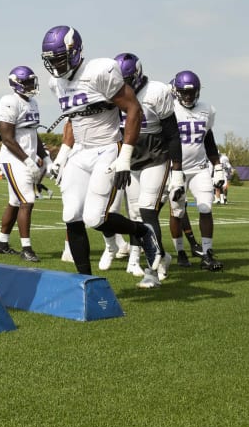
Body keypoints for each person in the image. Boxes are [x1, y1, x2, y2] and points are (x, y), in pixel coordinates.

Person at [40, 26, 163, 280]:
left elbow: (134, 109)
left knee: (94, 218)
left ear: (75, 53)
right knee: (70, 215)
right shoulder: (56, 83)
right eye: (50, 61)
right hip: (80, 152)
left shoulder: (99, 72)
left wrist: (124, 157)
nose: (55, 66)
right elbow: (74, 120)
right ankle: (84, 282)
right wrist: (63, 156)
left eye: (59, 59)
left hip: (107, 148)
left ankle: (140, 231)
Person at [104, 53, 181, 288]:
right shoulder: (111, 92)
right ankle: (163, 257)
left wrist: (177, 171)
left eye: (127, 80)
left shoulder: (156, 92)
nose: (123, 86)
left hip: (155, 157)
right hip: (130, 160)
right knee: (135, 216)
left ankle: (151, 271)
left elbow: (173, 133)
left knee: (148, 211)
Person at [169, 70, 225, 271]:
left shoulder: (207, 110)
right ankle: (181, 251)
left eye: (192, 93)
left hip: (200, 167)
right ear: (176, 91)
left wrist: (217, 166)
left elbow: (208, 139)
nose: (189, 96)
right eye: (184, 92)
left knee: (205, 208)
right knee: (177, 211)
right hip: (176, 170)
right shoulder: (170, 108)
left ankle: (207, 253)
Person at [0, 66, 44, 262]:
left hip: (25, 158)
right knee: (27, 200)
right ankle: (26, 248)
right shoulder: (9, 101)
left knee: (15, 202)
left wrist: (45, 157)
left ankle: (1, 243)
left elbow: (33, 134)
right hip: (13, 159)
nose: (31, 85)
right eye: (28, 82)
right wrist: (27, 160)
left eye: (32, 81)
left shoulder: (33, 102)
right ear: (17, 83)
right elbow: (7, 138)